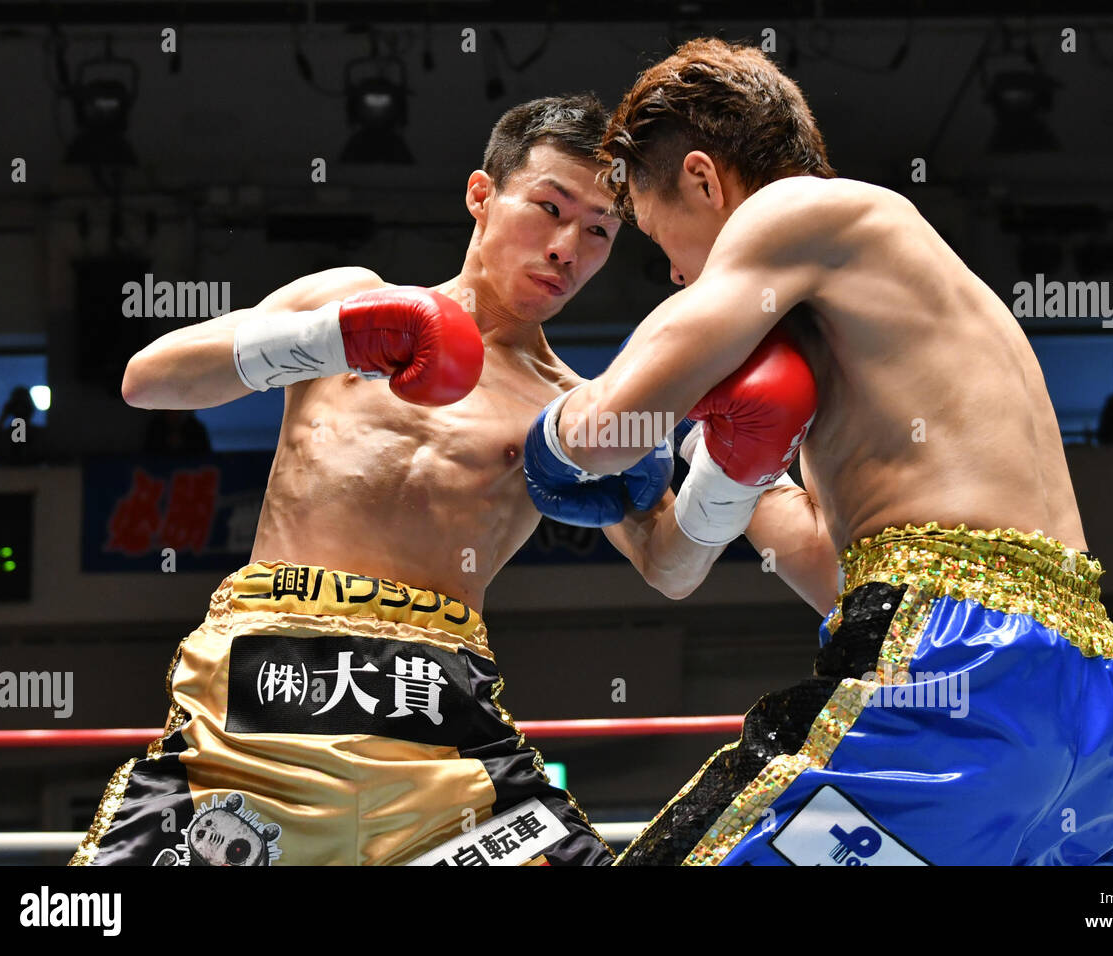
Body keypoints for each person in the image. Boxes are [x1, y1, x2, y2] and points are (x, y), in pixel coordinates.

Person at [525, 38, 1113, 866]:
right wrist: (743, 464)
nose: (674, 275)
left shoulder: (798, 213)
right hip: (1094, 702)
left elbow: (608, 427)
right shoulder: (884, 305)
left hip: (954, 660)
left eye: (653, 231)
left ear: (706, 180)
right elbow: (840, 573)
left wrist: (547, 434)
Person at [71, 93, 731, 867]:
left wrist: (733, 470)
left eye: (597, 231)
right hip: (262, 698)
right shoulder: (346, 298)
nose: (566, 248)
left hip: (436, 725)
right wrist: (334, 337)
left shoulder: (574, 411)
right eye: (549, 208)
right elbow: (149, 380)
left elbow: (670, 567)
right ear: (481, 195)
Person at [0, 385, 47, 465]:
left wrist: (3, 417)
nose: (21, 410)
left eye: (23, 406)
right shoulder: (3, 436)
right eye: (17, 405)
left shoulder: (38, 435)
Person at [143, 408, 212, 455]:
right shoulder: (156, 427)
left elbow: (204, 454)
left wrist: (184, 443)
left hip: (190, 470)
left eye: (179, 411)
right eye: (171, 410)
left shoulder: (195, 428)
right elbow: (147, 453)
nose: (175, 414)